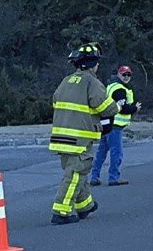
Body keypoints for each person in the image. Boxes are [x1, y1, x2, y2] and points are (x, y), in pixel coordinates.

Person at [49, 43, 115, 224]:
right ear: (93, 64)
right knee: (75, 172)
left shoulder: (66, 81)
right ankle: (62, 211)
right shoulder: (91, 82)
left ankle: (85, 205)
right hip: (79, 137)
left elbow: (55, 102)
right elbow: (105, 107)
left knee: (78, 170)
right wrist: (117, 107)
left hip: (60, 136)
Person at [91, 65, 141, 187]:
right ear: (118, 74)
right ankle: (114, 177)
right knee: (116, 152)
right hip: (115, 125)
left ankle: (94, 176)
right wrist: (135, 108)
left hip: (106, 123)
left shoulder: (111, 86)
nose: (126, 77)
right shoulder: (120, 89)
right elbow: (122, 108)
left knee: (101, 152)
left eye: (129, 74)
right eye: (124, 74)